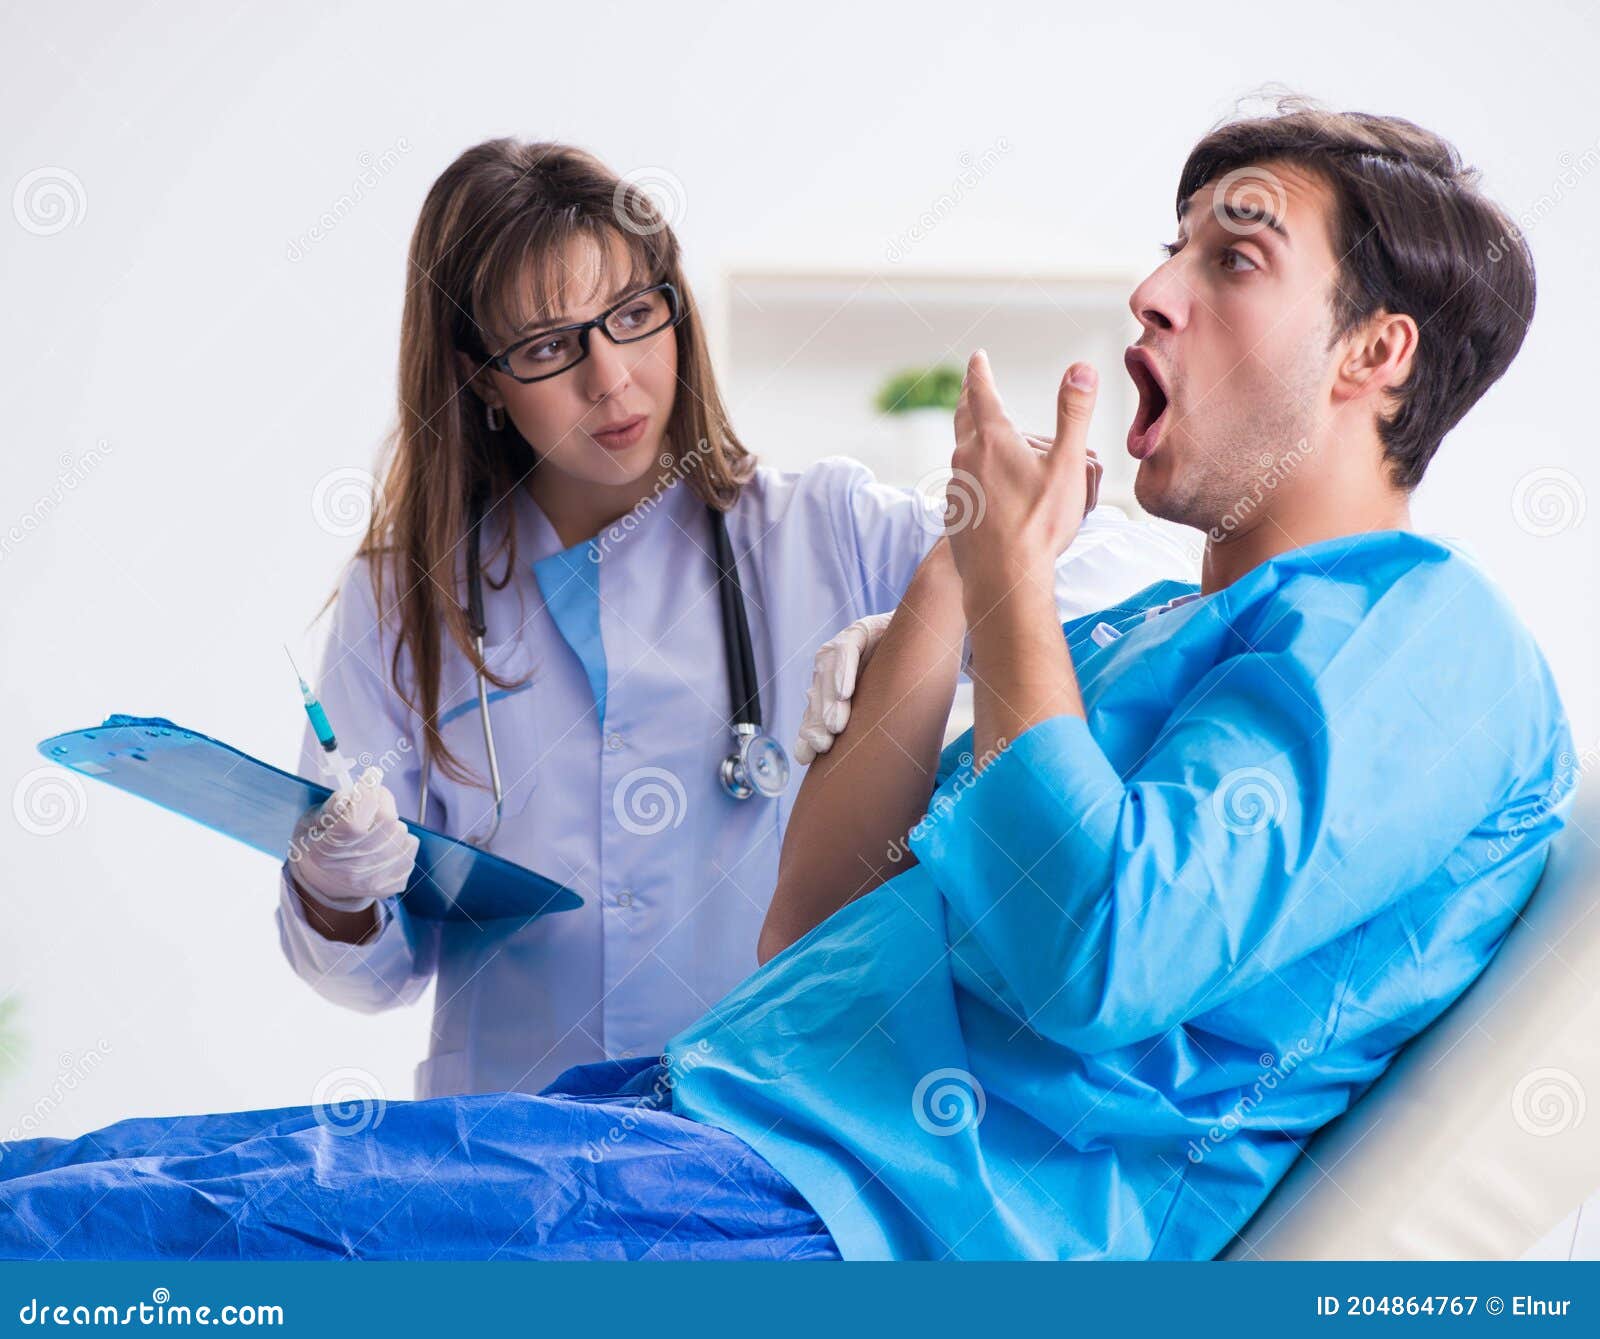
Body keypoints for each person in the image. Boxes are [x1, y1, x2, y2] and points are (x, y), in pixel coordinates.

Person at [0, 100, 1574, 1262]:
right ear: (485, 380)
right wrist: (951, 594)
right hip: (695, 1123)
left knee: (90, 1249)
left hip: (840, 1209)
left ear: (1375, 353)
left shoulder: (1422, 639)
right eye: (1169, 246)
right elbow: (810, 920)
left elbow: (1102, 949)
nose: (1152, 290)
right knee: (83, 1188)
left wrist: (1004, 579)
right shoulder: (1133, 643)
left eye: (1230, 255)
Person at [277, 139, 1193, 1100]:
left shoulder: (819, 527)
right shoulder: (405, 601)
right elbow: (369, 974)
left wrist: (947, 583)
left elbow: (1124, 575)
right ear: (481, 380)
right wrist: (336, 892)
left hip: (756, 1140)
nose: (612, 379)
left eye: (635, 316)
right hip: (510, 1147)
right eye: (550, 347)